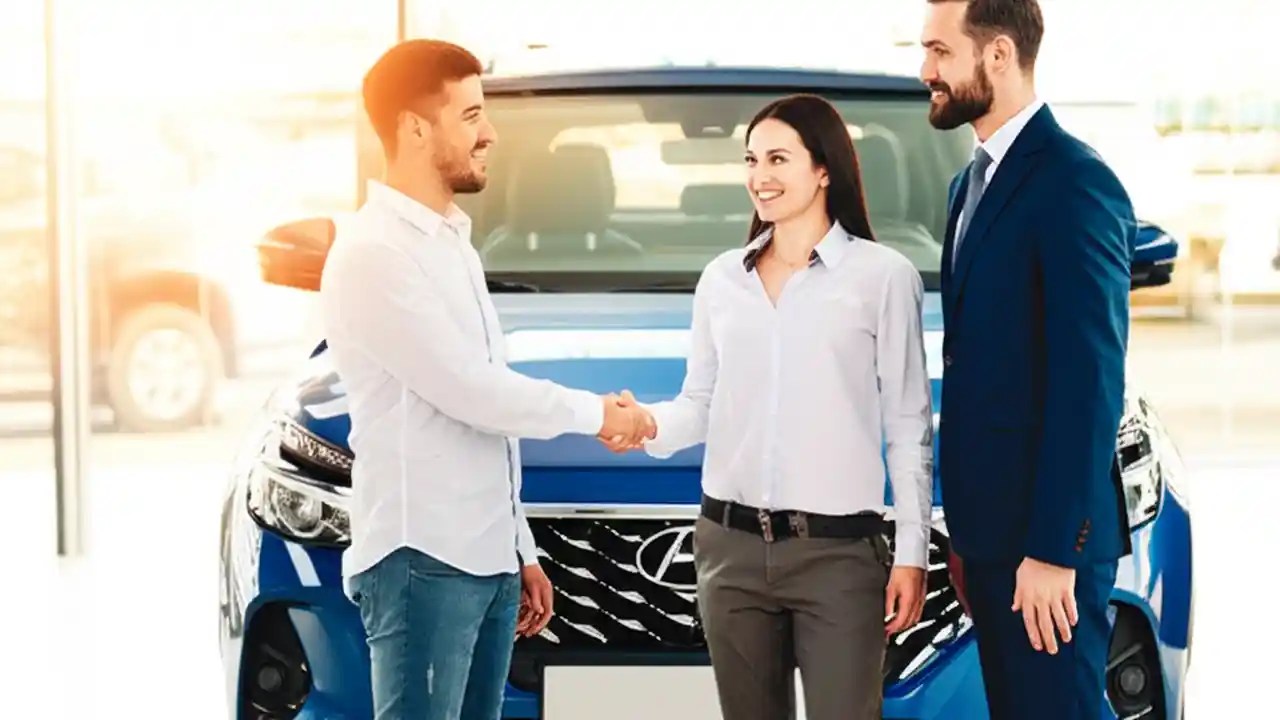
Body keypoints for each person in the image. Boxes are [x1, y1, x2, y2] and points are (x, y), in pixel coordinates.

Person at [319, 39, 655, 720]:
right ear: (415, 129)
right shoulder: (375, 253)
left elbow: (483, 409)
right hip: (423, 560)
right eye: (471, 115)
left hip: (484, 559)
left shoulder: (450, 242)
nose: (490, 133)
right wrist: (601, 414)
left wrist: (518, 549)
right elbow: (472, 393)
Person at [606, 94, 934, 720]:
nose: (760, 176)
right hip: (729, 549)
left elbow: (907, 427)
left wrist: (912, 553)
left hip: (838, 555)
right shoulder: (722, 280)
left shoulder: (883, 278)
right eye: (752, 160)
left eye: (779, 158)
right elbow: (698, 404)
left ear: (824, 170)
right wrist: (646, 424)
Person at [919, 1, 1136, 718]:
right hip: (990, 541)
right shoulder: (965, 188)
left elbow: (1090, 382)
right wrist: (968, 532)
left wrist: (1052, 550)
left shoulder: (1075, 180)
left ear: (999, 55)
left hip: (1046, 551)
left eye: (940, 52)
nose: (928, 72)